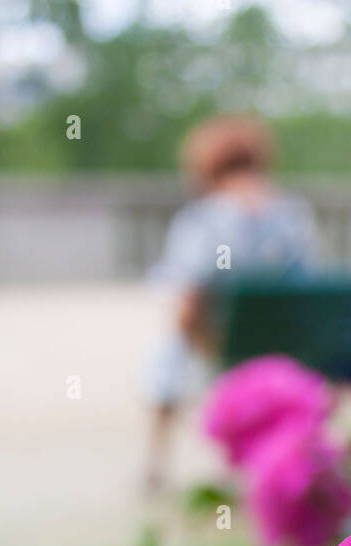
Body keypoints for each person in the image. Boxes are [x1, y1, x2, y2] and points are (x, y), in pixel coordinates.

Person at [143, 113, 317, 489]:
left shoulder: (203, 219)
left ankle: (155, 469)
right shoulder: (292, 214)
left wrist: (206, 349)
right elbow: (308, 290)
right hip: (285, 348)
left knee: (166, 358)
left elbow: (190, 302)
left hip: (221, 346)